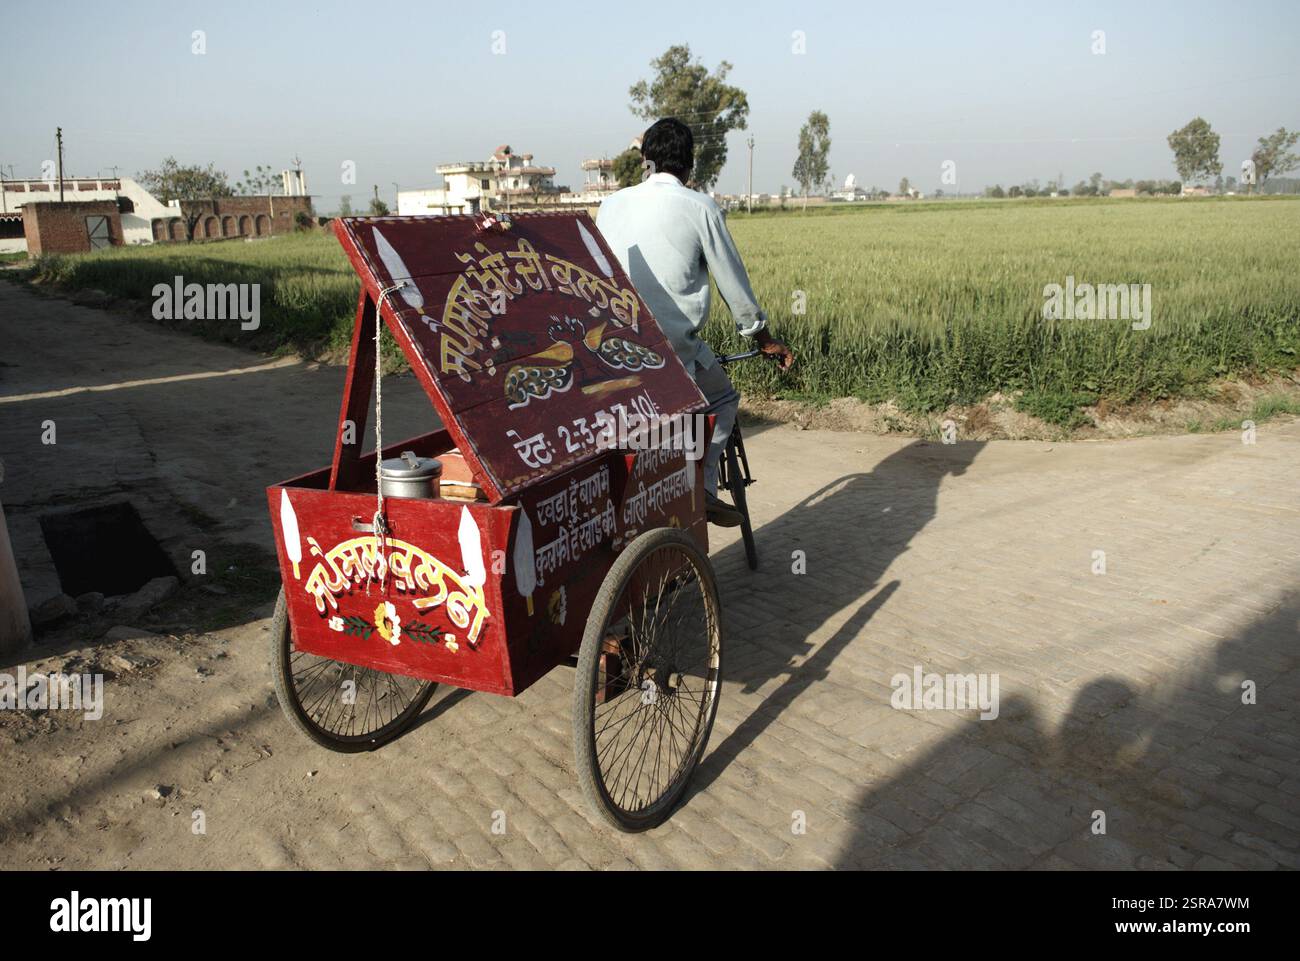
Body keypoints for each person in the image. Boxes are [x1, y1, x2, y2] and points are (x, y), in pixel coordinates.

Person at [597, 118, 794, 527]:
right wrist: (762, 337)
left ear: (644, 161)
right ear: (689, 167)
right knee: (721, 400)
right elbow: (733, 286)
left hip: (609, 349)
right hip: (673, 350)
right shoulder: (699, 206)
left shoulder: (610, 206)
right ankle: (703, 489)